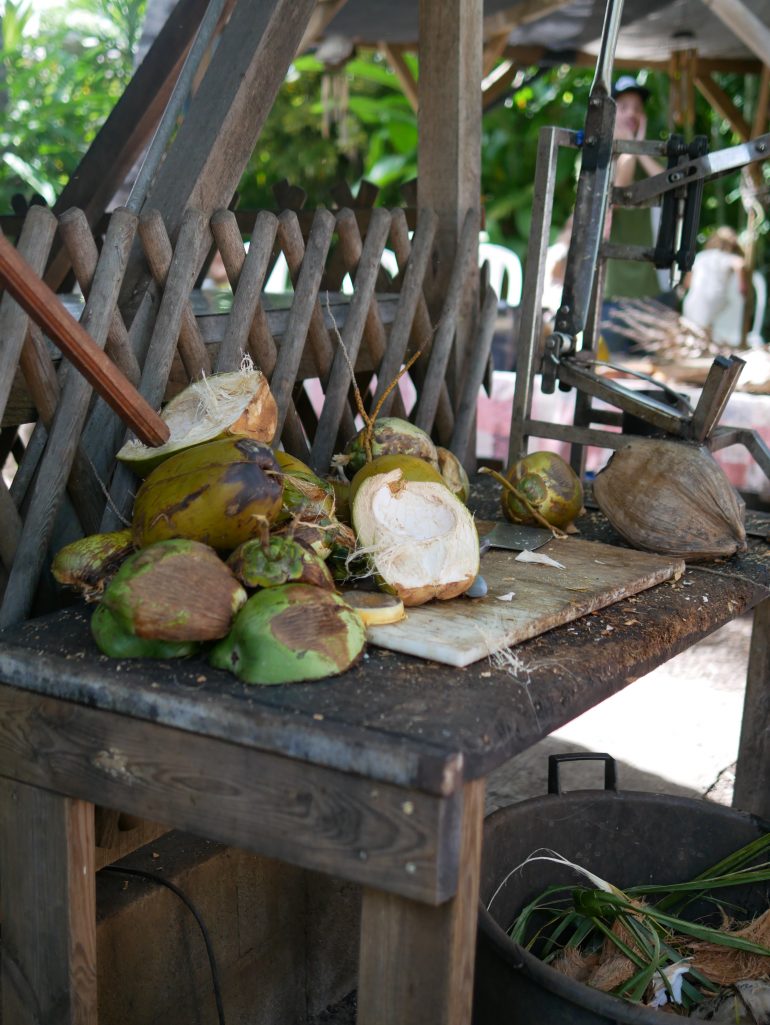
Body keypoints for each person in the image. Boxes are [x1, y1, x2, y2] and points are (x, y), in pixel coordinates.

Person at [600, 75, 666, 355]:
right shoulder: (600, 155)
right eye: (624, 107)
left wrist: (638, 146)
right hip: (613, 289)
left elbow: (670, 187)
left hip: (650, 290)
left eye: (637, 108)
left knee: (650, 371)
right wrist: (629, 146)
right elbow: (621, 190)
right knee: (613, 368)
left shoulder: (649, 156)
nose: (631, 113)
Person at [682, 227, 751, 346]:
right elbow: (740, 264)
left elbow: (687, 283)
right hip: (715, 299)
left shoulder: (700, 257)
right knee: (703, 331)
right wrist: (743, 287)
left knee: (694, 333)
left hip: (694, 299)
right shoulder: (727, 258)